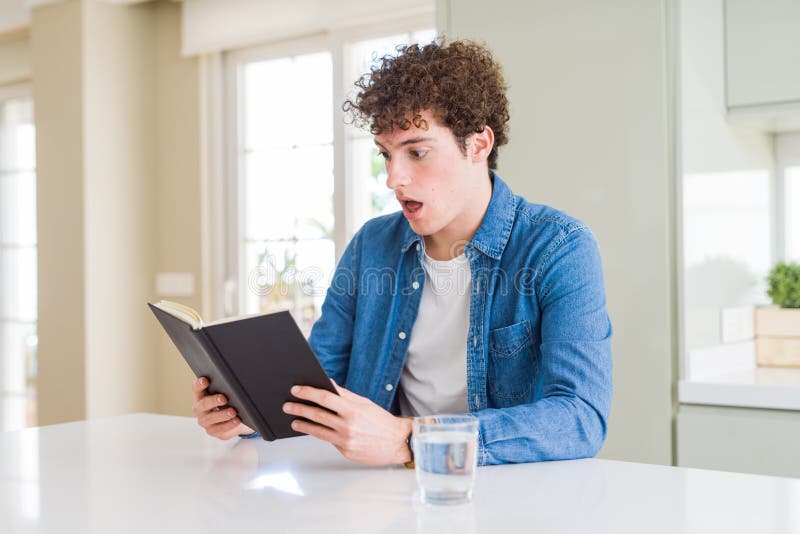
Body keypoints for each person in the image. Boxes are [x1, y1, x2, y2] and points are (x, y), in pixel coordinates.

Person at [191, 39, 612, 466]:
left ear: (479, 145)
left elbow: (580, 418)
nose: (394, 179)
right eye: (386, 155)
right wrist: (249, 414)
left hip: (509, 496)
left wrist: (412, 439)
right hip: (383, 493)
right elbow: (316, 386)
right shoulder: (372, 245)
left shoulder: (558, 248)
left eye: (417, 152)